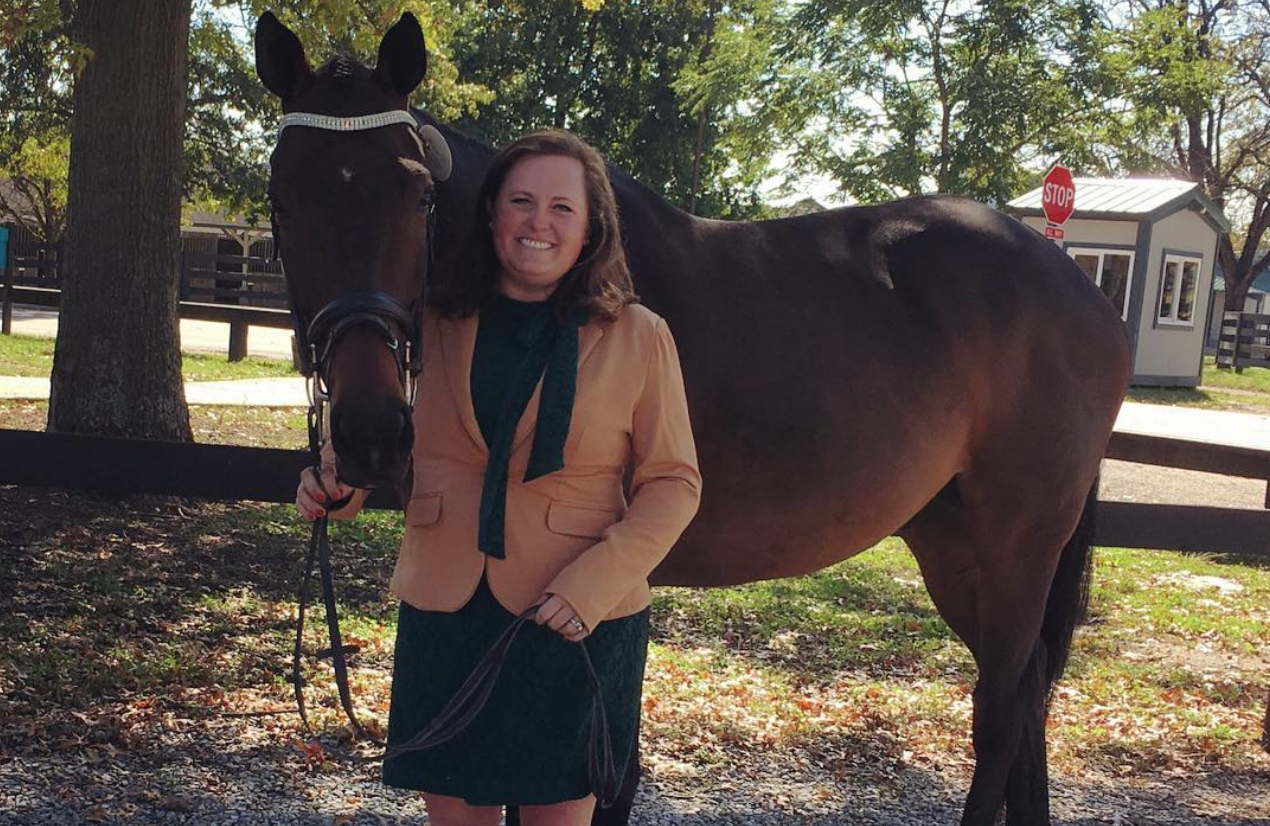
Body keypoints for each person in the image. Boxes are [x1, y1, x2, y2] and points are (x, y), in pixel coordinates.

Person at [295, 129, 702, 826]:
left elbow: (675, 482)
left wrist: (597, 583)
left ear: (592, 225)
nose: (538, 221)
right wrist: (339, 482)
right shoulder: (430, 323)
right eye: (521, 201)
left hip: (570, 615)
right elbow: (397, 439)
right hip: (446, 608)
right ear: (492, 215)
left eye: (560, 207)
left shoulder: (638, 334)